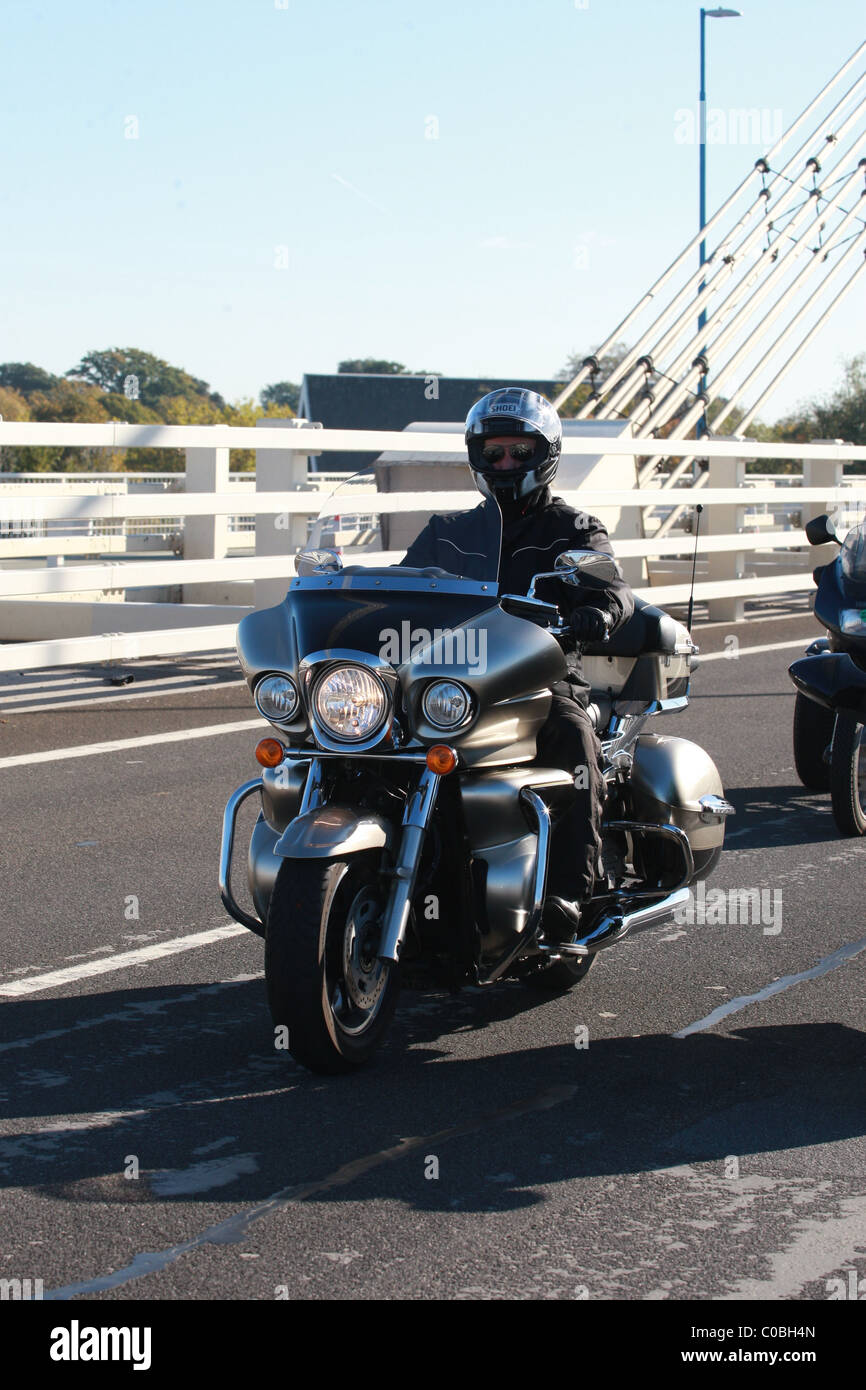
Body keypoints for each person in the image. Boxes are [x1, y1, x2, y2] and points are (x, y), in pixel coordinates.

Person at [401, 387, 635, 938]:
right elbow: (403, 588)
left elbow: (613, 589)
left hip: (540, 678)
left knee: (572, 734)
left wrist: (597, 614)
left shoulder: (572, 530)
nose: (505, 463)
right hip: (451, 683)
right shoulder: (446, 532)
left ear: (545, 455)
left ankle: (573, 891)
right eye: (494, 452)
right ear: (477, 456)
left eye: (519, 452)